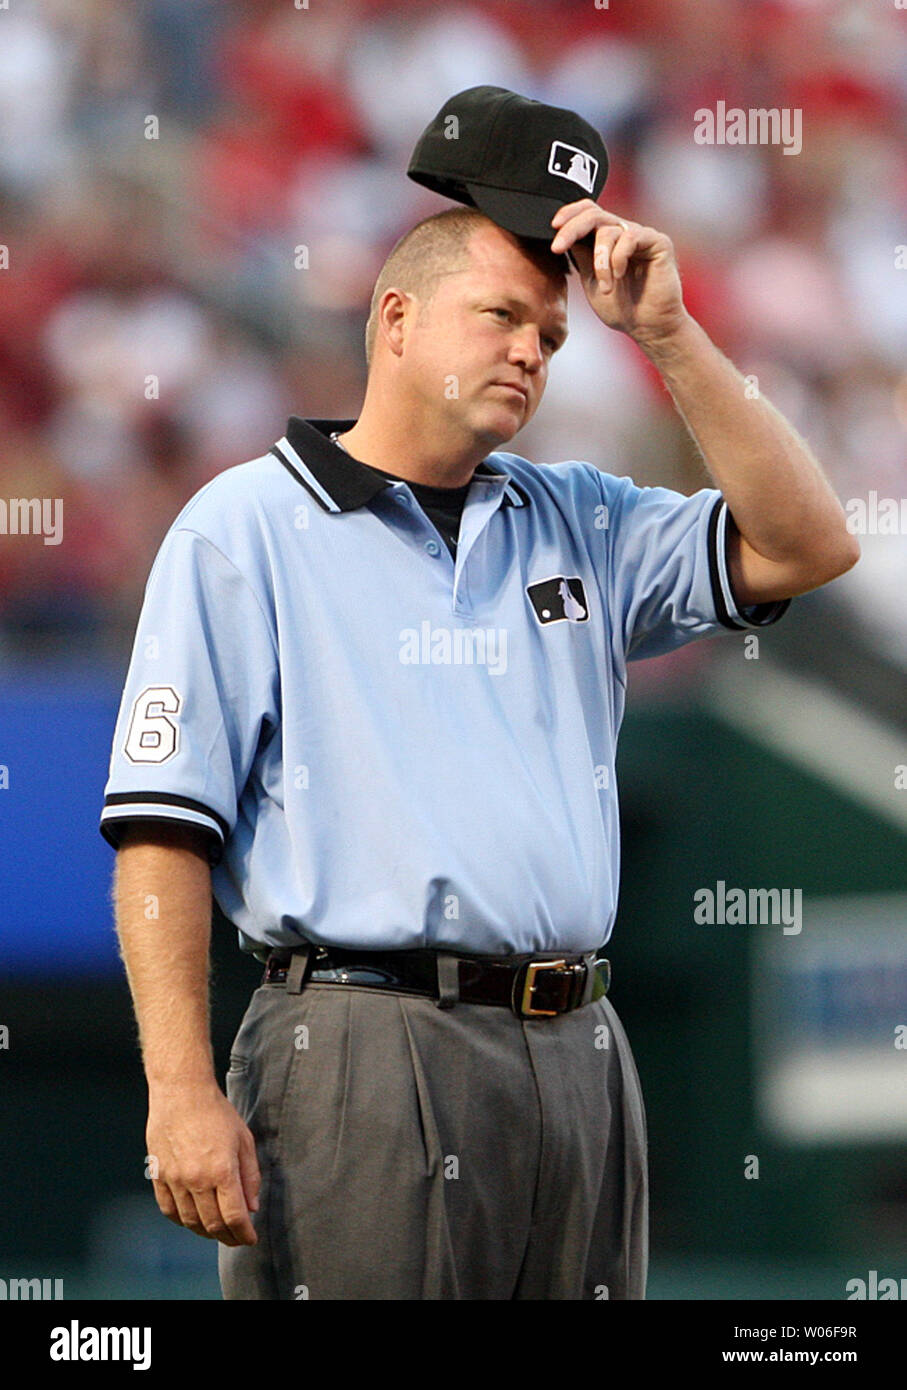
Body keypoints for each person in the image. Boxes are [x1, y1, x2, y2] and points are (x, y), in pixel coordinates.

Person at [102, 197, 859, 1300]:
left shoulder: (579, 518)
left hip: (579, 1044)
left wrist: (665, 335)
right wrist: (177, 1089)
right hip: (358, 1038)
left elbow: (808, 543)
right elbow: (162, 832)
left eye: (550, 337)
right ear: (396, 319)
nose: (529, 351)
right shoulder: (244, 525)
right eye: (501, 316)